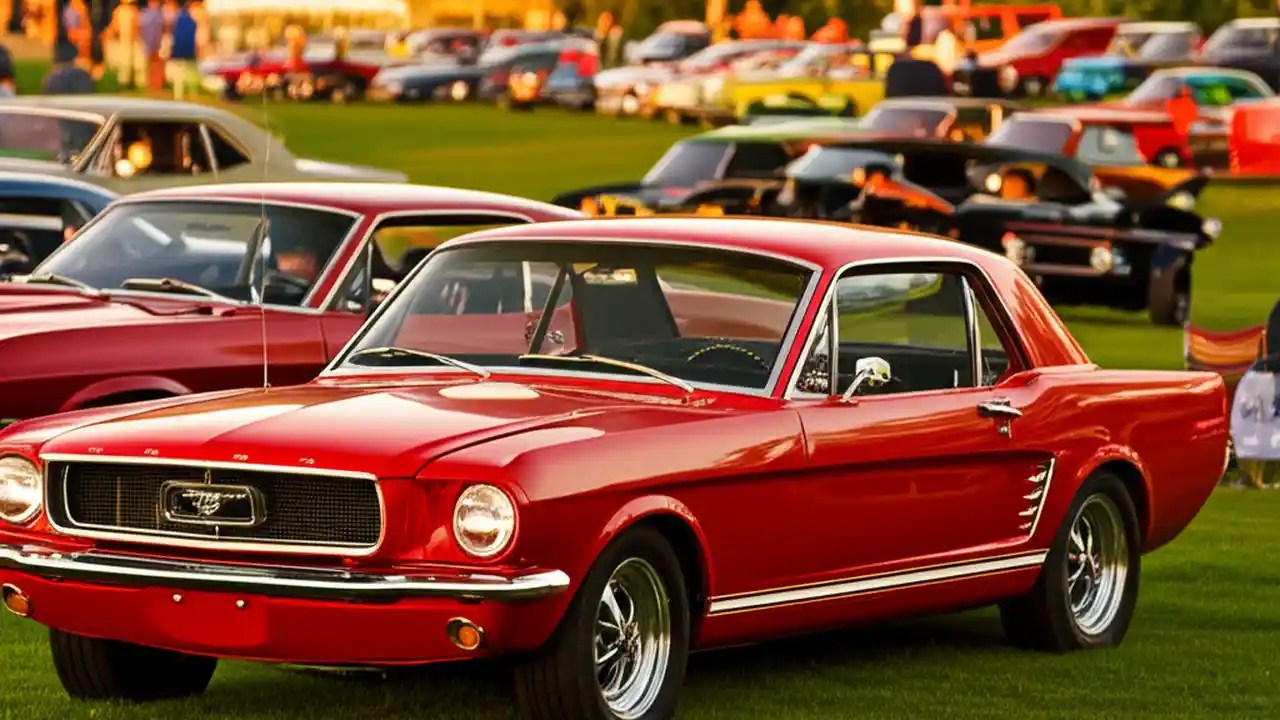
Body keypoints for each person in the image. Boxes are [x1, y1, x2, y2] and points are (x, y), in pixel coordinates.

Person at [105, 0, 140, 89]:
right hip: (124, 40)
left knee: (130, 62)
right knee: (125, 62)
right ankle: (124, 82)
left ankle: (129, 82)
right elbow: (115, 26)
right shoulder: (121, 11)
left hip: (129, 40)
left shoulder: (132, 11)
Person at [167, 1, 198, 100]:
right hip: (189, 53)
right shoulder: (193, 22)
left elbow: (175, 38)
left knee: (178, 78)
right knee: (191, 76)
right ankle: (193, 95)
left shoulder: (177, 21)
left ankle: (178, 97)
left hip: (178, 53)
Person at [139, 0, 164, 92]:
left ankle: (155, 84)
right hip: (147, 42)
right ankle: (149, 83)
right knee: (149, 64)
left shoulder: (156, 14)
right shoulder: (147, 14)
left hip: (152, 43)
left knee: (155, 64)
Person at [933, 11, 965, 76]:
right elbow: (948, 62)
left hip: (943, 70)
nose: (961, 27)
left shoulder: (946, 36)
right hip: (946, 70)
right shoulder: (947, 37)